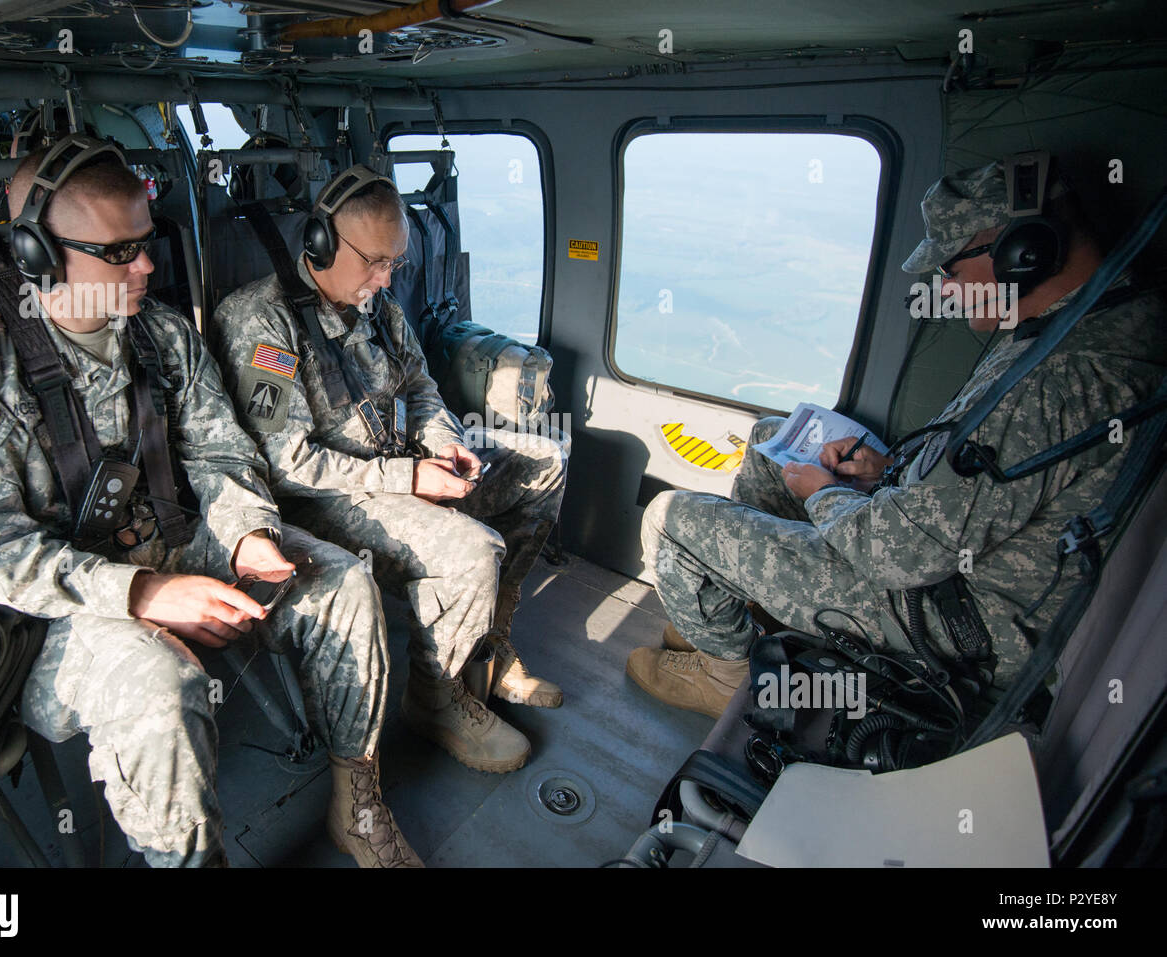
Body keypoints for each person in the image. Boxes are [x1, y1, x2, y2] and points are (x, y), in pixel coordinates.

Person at [0, 138, 420, 867]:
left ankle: (357, 799)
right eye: (119, 253)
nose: (147, 265)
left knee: (343, 582)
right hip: (59, 612)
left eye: (145, 245)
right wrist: (142, 592)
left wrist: (248, 535)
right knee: (160, 684)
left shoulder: (162, 335)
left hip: (175, 544)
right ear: (38, 255)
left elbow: (221, 452)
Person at [629, 157, 1167, 718]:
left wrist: (823, 493)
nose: (944, 288)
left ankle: (728, 674)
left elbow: (902, 557)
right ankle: (753, 611)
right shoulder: (1080, 323)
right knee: (773, 442)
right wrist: (886, 471)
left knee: (669, 520)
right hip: (955, 569)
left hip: (955, 619)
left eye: (951, 268)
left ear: (1022, 252)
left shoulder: (1060, 378)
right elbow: (981, 482)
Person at [213, 165, 568, 774]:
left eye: (394, 265)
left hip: (402, 466)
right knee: (473, 550)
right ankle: (436, 695)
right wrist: (408, 480)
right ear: (320, 242)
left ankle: (487, 641)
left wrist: (444, 444)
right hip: (325, 501)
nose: (384, 278)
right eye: (374, 262)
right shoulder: (262, 322)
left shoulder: (377, 306)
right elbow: (287, 463)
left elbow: (421, 386)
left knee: (544, 460)